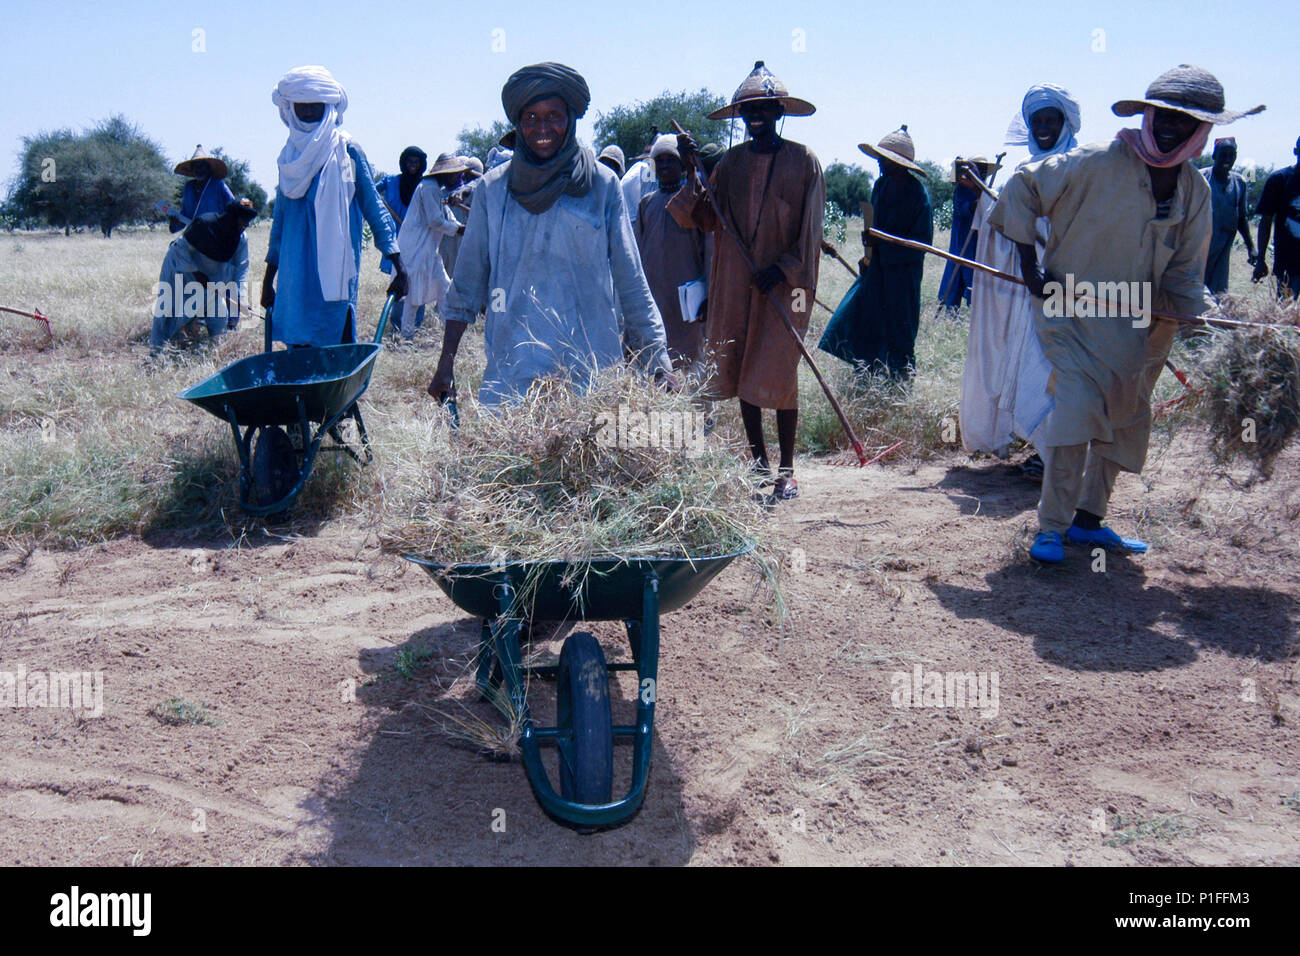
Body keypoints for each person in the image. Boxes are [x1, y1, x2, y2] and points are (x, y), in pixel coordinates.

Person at [988, 64, 1263, 563]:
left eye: (1186, 121)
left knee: (1126, 419)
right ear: (1148, 115)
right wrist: (1030, 268)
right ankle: (1051, 528)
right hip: (1074, 317)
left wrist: (1213, 320)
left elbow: (1184, 273)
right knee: (1074, 414)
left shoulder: (1194, 192)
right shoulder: (1094, 162)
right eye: (1165, 116)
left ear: (1203, 132)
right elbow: (1024, 186)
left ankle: (1088, 523)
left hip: (1144, 330)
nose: (1171, 127)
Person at [426, 62, 671, 407]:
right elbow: (466, 283)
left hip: (591, 371)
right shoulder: (493, 191)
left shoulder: (602, 186)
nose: (543, 128)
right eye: (531, 118)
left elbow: (630, 280)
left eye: (554, 116)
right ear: (518, 124)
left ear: (570, 119)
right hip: (514, 371)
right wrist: (445, 363)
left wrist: (657, 360)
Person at [672, 61, 824, 500]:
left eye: (763, 108)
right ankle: (759, 465)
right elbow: (702, 218)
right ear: (741, 116)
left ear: (779, 111)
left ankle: (788, 469)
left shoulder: (804, 162)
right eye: (748, 110)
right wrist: (690, 168)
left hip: (784, 286)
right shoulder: (731, 163)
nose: (756, 116)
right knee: (743, 373)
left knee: (779, 371)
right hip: (737, 283)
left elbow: (810, 231)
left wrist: (782, 268)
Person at [959, 84, 1081, 475]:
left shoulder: (1080, 168)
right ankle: (1042, 451)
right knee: (1030, 361)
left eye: (1051, 119)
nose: (1044, 127)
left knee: (1058, 367)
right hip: (1030, 289)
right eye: (1037, 120)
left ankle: (1058, 455)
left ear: (1064, 123)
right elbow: (1005, 226)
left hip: (1069, 288)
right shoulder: (1020, 170)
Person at [259, 66, 406, 347]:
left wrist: (398, 263)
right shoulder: (289, 159)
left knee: (333, 343)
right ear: (291, 108)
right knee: (298, 349)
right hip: (294, 272)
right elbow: (280, 224)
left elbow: (373, 207)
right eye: (303, 105)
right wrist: (268, 280)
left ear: (328, 105)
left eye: (316, 104)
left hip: (334, 273)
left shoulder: (347, 151)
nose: (310, 110)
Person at [819, 125, 932, 380]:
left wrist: (884, 243)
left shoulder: (918, 195)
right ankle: (867, 374)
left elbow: (922, 244)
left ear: (898, 163)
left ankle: (901, 383)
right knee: (863, 318)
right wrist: (868, 252)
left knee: (900, 328)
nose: (879, 163)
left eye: (885, 159)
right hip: (877, 268)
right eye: (880, 158)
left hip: (903, 275)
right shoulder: (880, 186)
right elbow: (874, 225)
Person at [636, 134, 707, 367]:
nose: (664, 165)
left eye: (671, 159)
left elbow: (709, 252)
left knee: (689, 362)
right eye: (659, 160)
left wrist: (708, 294)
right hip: (654, 294)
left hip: (688, 299)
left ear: (681, 164)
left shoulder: (694, 201)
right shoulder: (647, 203)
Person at [152, 198, 256, 353]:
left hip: (211, 279)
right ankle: (158, 352)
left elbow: (241, 269)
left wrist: (239, 300)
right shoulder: (204, 225)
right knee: (169, 311)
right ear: (232, 217)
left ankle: (216, 350)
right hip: (181, 270)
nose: (246, 225)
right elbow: (180, 250)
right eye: (243, 220)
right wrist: (195, 272)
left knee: (219, 316)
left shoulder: (241, 238)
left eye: (248, 221)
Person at [397, 155, 466, 339]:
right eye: (455, 173)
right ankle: (406, 338)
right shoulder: (430, 189)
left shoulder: (435, 189)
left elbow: (445, 214)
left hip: (427, 250)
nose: (457, 177)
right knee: (413, 296)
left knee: (445, 288)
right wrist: (458, 229)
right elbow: (435, 221)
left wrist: (459, 226)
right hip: (417, 248)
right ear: (446, 174)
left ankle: (449, 333)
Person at [376, 146, 428, 334]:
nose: (412, 165)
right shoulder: (390, 182)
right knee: (399, 279)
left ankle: (416, 325)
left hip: (419, 241)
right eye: (409, 161)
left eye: (416, 162)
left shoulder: (426, 185)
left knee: (419, 282)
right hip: (396, 242)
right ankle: (397, 325)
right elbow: (371, 191)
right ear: (403, 163)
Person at [937, 156, 996, 308]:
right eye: (979, 168)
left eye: (984, 170)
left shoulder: (986, 189)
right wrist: (980, 200)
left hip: (977, 240)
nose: (982, 172)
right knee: (956, 275)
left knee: (974, 277)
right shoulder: (963, 188)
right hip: (962, 239)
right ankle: (951, 311)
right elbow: (964, 209)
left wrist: (985, 196)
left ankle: (974, 311)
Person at [1202, 137, 1256, 293]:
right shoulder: (1200, 178)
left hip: (1222, 248)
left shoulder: (1239, 183)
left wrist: (1251, 247)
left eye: (1231, 155)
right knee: (1195, 292)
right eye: (1223, 154)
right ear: (1214, 155)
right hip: (1199, 248)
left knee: (1218, 295)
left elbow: (1241, 218)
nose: (1227, 159)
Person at [1253, 134, 1300, 299]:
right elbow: (1265, 222)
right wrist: (1260, 259)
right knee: (1284, 313)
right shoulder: (1279, 180)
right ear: (1295, 151)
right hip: (1288, 259)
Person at [168, 146, 235, 233]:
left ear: (207, 168)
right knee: (174, 247)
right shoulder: (189, 187)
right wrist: (175, 222)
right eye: (195, 167)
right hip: (194, 235)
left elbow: (233, 206)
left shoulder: (218, 184)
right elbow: (185, 215)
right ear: (192, 170)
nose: (198, 170)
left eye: (201, 166)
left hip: (216, 234)